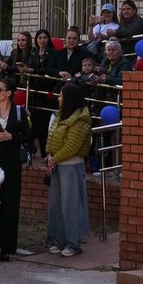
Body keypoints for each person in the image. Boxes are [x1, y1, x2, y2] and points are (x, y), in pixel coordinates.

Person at [0, 75, 33, 258]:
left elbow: (28, 137)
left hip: (11, 164)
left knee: (10, 204)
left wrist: (12, 137)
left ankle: (7, 247)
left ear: (9, 93)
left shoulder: (18, 111)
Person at [44, 83, 92, 257]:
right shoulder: (59, 115)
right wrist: (49, 154)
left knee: (70, 205)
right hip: (56, 164)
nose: (59, 98)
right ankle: (57, 239)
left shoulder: (80, 119)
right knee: (56, 204)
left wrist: (55, 158)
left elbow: (72, 145)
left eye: (61, 95)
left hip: (71, 165)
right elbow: (51, 135)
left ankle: (73, 242)